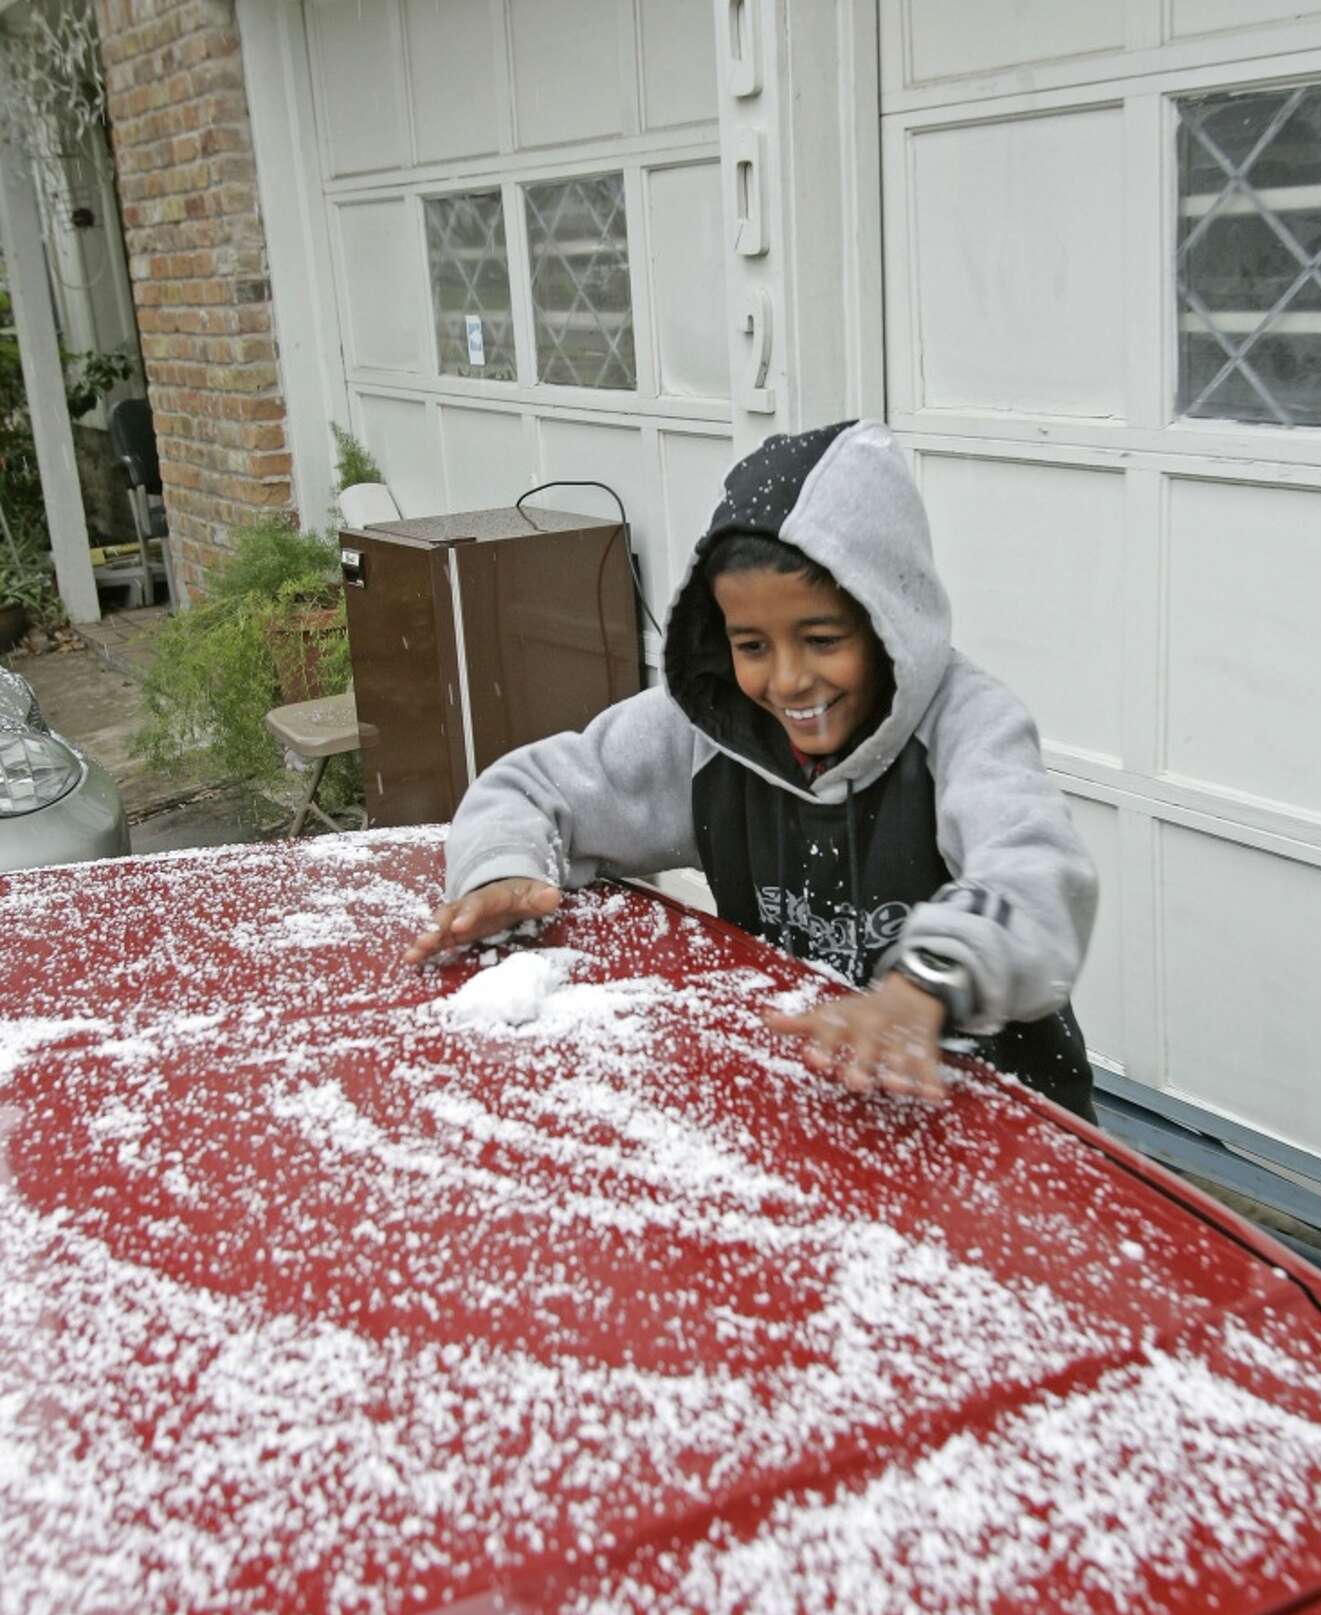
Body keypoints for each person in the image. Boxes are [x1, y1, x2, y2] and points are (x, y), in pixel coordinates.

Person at [405, 420, 1099, 1119]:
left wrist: (922, 987)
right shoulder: (708, 732)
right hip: (820, 1096)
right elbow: (533, 786)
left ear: (893, 619)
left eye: (822, 639)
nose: (789, 681)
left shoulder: (968, 727)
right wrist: (501, 870)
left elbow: (1035, 876)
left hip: (999, 1115)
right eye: (751, 645)